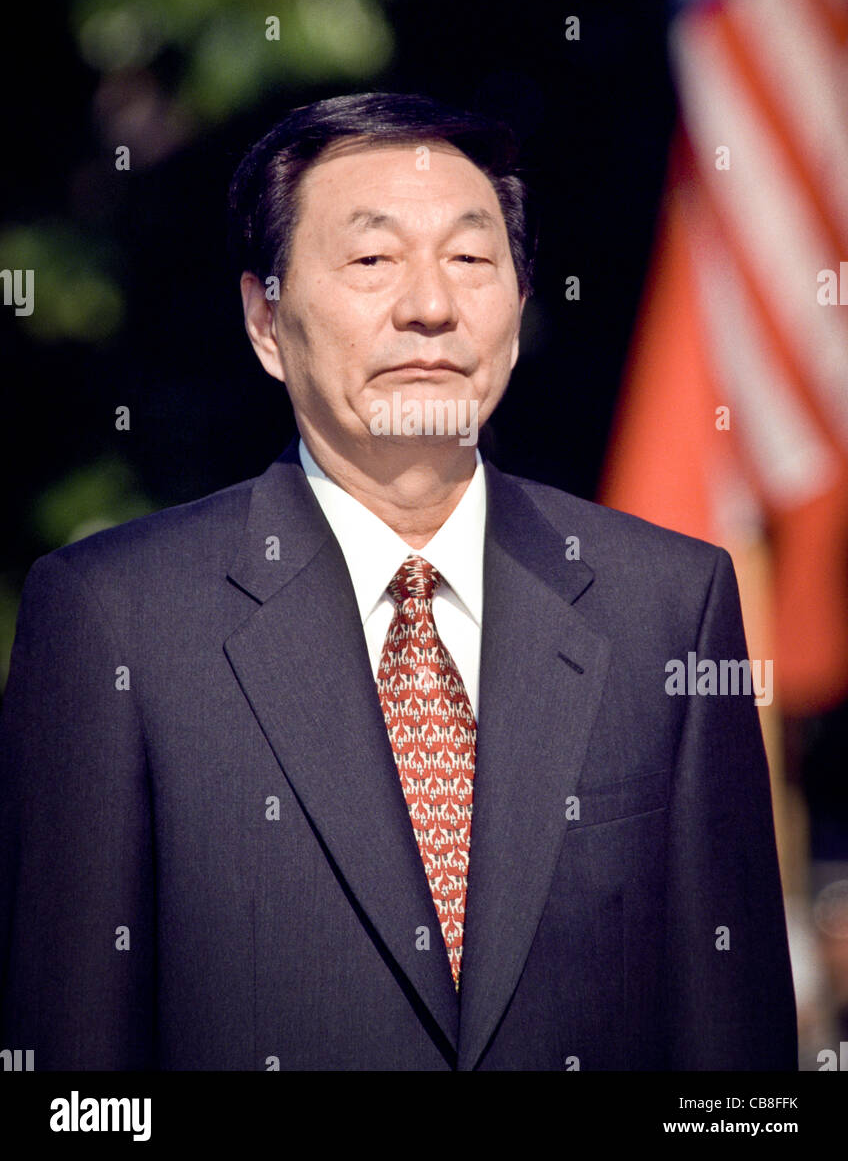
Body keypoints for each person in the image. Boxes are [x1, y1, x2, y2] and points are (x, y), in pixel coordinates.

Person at [0, 91, 797, 1071]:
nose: (429, 305)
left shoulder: (666, 604)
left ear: (516, 299)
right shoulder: (118, 621)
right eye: (372, 260)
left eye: (469, 259)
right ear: (264, 317)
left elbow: (732, 1061)